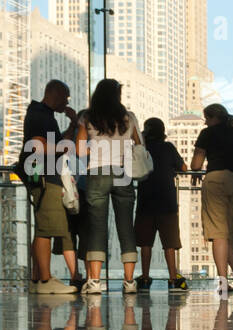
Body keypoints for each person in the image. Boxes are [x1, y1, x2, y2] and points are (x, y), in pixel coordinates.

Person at [74, 78, 141, 295]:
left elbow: (79, 151)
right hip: (123, 172)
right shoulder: (128, 118)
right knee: (126, 227)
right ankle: (129, 281)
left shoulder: (88, 117)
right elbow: (140, 146)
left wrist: (98, 151)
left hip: (97, 173)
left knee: (96, 227)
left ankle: (94, 282)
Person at [20, 80, 80, 294]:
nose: (67, 102)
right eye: (66, 97)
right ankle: (45, 281)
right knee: (46, 228)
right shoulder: (39, 115)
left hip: (43, 176)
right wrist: (64, 146)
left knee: (42, 226)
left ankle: (38, 278)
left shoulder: (44, 115)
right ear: (55, 94)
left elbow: (56, 143)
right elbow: (39, 145)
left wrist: (72, 125)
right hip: (44, 177)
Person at [190, 103, 233, 296]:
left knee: (218, 235)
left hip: (216, 181)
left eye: (206, 119)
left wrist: (196, 170)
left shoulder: (208, 133)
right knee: (230, 237)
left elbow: (196, 163)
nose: (206, 122)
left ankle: (223, 282)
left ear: (212, 118)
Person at [135, 117, 188, 291]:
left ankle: (144, 278)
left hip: (145, 200)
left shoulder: (142, 148)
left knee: (145, 243)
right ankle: (173, 279)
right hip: (167, 201)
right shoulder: (168, 148)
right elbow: (184, 168)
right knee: (169, 243)